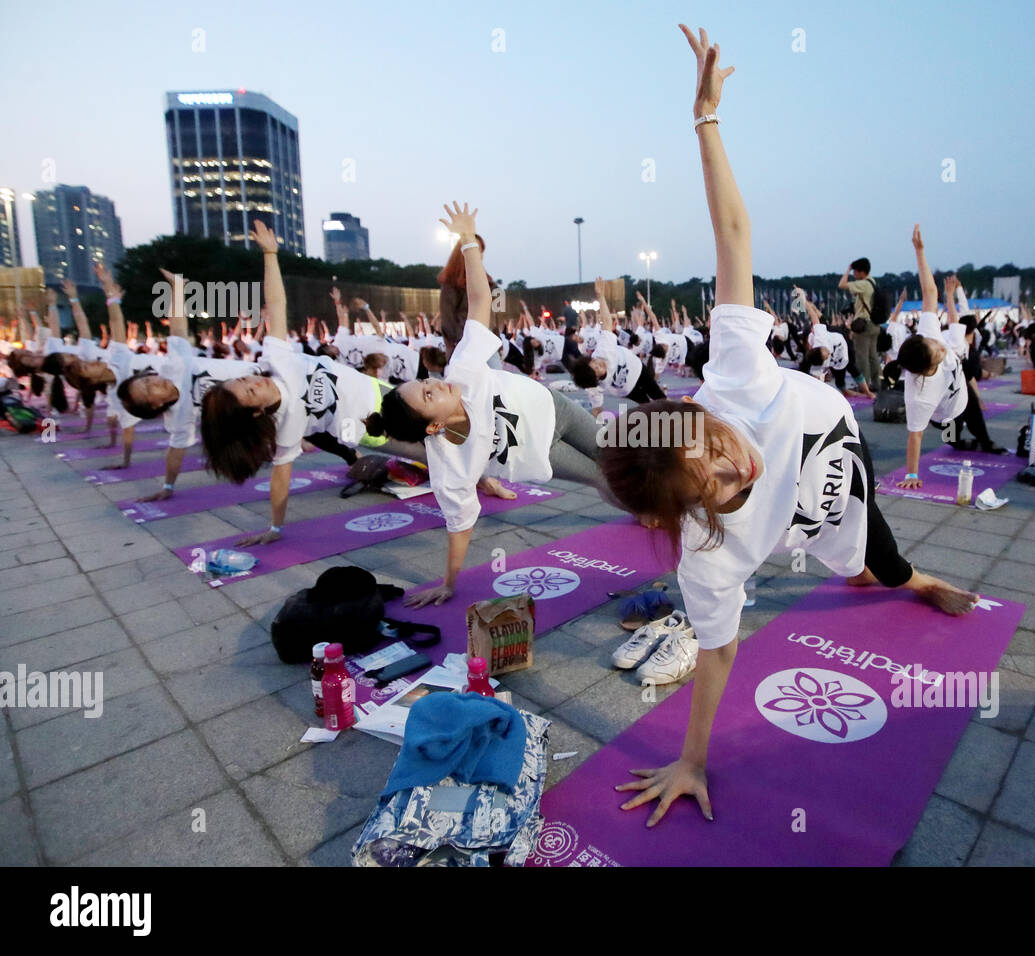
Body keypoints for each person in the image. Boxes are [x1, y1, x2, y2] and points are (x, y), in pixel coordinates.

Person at [603, 26, 980, 828]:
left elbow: (733, 237)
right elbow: (718, 652)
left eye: (718, 449)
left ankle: (907, 576)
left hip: (837, 448)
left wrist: (705, 121)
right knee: (854, 564)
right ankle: (889, 575)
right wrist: (692, 761)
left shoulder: (733, 375)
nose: (740, 466)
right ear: (691, 515)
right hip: (805, 516)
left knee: (877, 562)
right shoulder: (706, 562)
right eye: (721, 485)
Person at [374, 202, 610, 607]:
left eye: (426, 382)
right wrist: (448, 584)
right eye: (429, 394)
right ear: (432, 428)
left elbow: (481, 302)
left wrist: (469, 241)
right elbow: (460, 526)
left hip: (557, 409)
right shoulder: (448, 466)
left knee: (615, 451)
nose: (436, 384)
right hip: (543, 451)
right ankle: (648, 508)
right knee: (603, 479)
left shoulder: (462, 370)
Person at [198, 220, 423, 546]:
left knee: (450, 423)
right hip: (376, 430)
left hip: (384, 392)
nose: (253, 382)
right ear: (257, 412)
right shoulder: (286, 424)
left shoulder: (276, 359)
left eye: (245, 380)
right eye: (249, 392)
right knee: (434, 452)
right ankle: (482, 477)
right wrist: (275, 528)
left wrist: (271, 254)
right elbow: (281, 478)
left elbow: (276, 305)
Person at [115, 265, 260, 498]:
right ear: (153, 406)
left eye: (148, 380)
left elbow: (178, 326)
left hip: (263, 371)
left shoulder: (175, 365)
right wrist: (168, 486)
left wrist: (178, 287)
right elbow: (175, 451)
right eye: (148, 390)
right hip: (261, 400)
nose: (155, 382)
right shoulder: (178, 418)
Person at [895, 225, 1005, 492]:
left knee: (975, 414)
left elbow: (929, 293)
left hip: (959, 389)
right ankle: (957, 440)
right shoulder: (919, 395)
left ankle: (985, 441)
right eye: (938, 353)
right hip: (945, 411)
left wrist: (920, 252)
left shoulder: (926, 336)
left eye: (937, 345)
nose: (942, 348)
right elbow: (915, 435)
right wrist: (911, 474)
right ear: (927, 368)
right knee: (952, 437)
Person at [570, 277, 666, 406]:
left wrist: (601, 297)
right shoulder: (596, 386)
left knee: (660, 398)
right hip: (626, 389)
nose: (600, 364)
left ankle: (678, 417)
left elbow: (607, 323)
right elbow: (596, 406)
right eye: (597, 369)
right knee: (646, 405)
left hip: (637, 369)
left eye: (594, 362)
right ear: (596, 379)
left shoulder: (604, 350)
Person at [839, 256, 881, 392]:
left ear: (861, 271)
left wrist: (847, 270)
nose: (854, 275)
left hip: (863, 324)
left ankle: (864, 385)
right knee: (873, 355)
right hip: (874, 323)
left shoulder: (863, 284)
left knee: (861, 356)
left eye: (855, 272)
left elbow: (842, 285)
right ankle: (877, 382)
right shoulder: (873, 282)